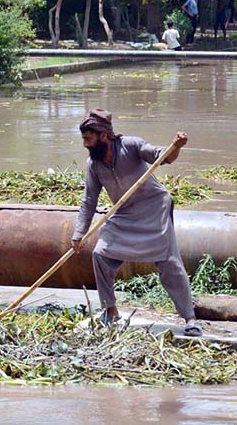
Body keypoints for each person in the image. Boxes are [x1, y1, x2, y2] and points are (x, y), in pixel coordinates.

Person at [71, 109, 201, 336]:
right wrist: (78, 233)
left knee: (168, 261)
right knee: (100, 254)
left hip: (153, 208)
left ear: (103, 136)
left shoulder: (130, 146)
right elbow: (89, 201)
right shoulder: (94, 165)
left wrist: (176, 146)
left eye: (88, 139)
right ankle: (110, 311)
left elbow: (162, 156)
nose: (85, 145)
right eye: (83, 139)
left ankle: (190, 318)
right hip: (124, 213)